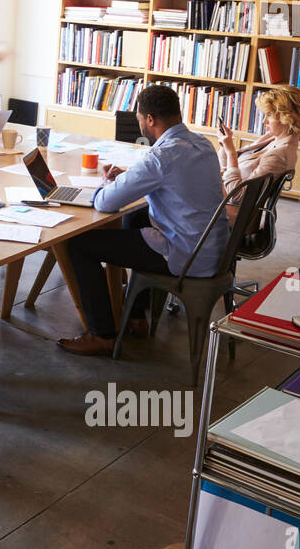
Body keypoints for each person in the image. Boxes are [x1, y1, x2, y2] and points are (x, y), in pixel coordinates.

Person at [57, 85, 227, 356]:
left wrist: (107, 183)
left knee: (78, 243)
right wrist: (132, 176)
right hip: (214, 248)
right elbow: (173, 179)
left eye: (139, 119)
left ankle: (101, 334)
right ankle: (135, 316)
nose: (139, 124)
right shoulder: (202, 144)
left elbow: (104, 203)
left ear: (150, 119)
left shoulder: (161, 157)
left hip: (186, 256)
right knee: (136, 217)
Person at [216, 85, 300, 217]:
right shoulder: (273, 138)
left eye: (269, 115)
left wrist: (231, 153)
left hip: (227, 213)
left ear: (287, 117)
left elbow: (238, 197)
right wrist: (224, 146)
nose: (264, 121)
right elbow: (230, 166)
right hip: (219, 195)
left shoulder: (279, 155)